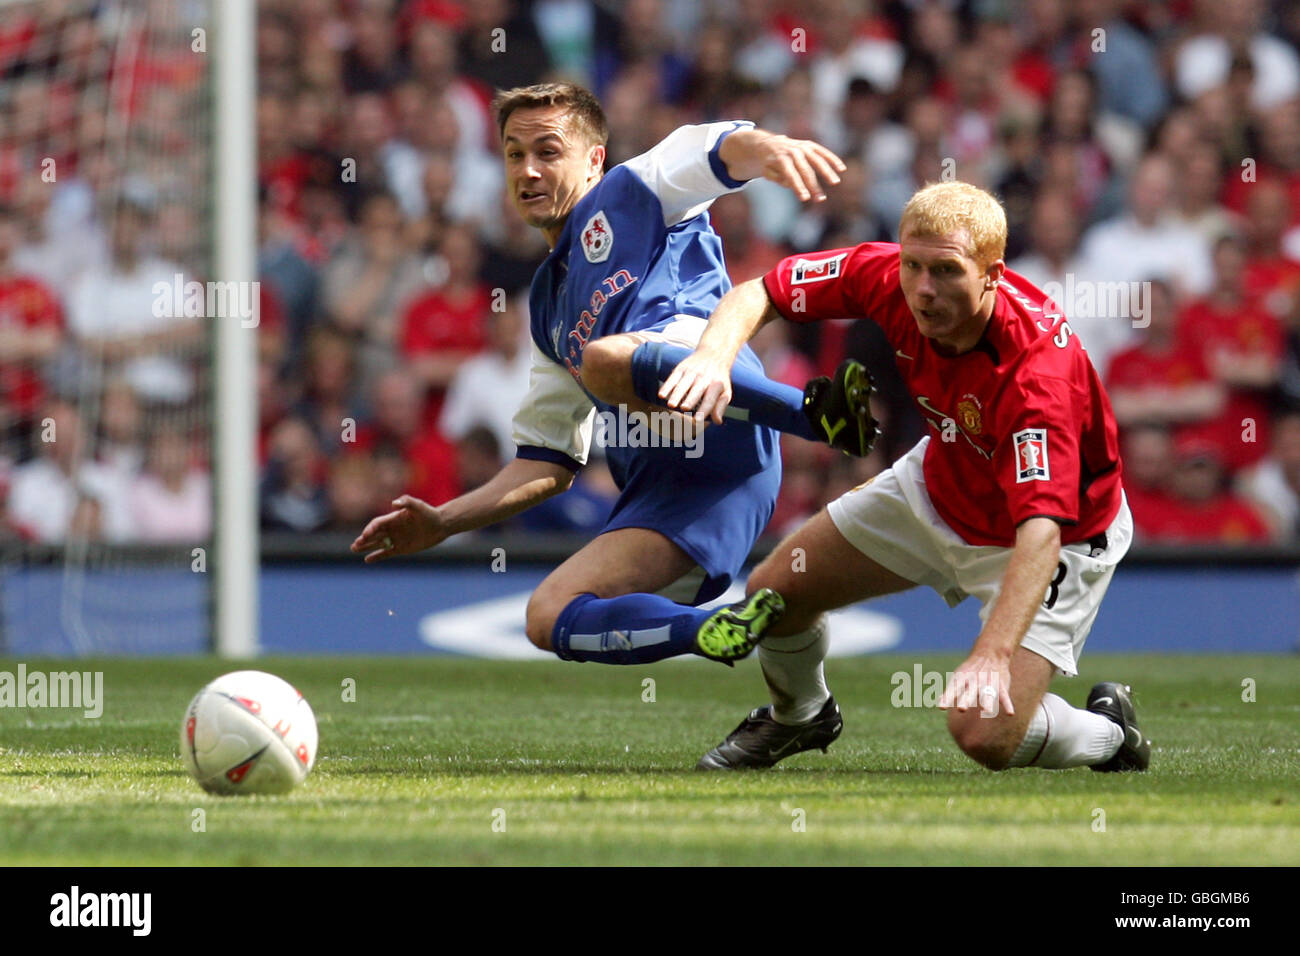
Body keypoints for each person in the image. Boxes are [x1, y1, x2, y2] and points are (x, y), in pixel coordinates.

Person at [352, 82, 873, 671]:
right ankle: (714, 630)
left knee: (603, 359)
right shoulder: (547, 310)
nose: (528, 170)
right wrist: (444, 521)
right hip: (672, 498)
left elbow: (717, 150)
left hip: (726, 423)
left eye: (548, 152)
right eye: (514, 154)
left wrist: (770, 147)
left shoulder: (636, 188)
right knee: (546, 615)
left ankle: (816, 414)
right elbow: (546, 464)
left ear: (594, 158)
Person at [660, 181, 1151, 773]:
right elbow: (760, 291)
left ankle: (1111, 735)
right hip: (943, 478)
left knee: (986, 733)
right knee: (776, 595)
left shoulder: (1036, 378)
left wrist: (993, 651)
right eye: (912, 265)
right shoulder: (884, 275)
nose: (922, 289)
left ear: (992, 274)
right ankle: (800, 716)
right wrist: (713, 355)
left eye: (945, 271)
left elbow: (1041, 531)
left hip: (1058, 536)